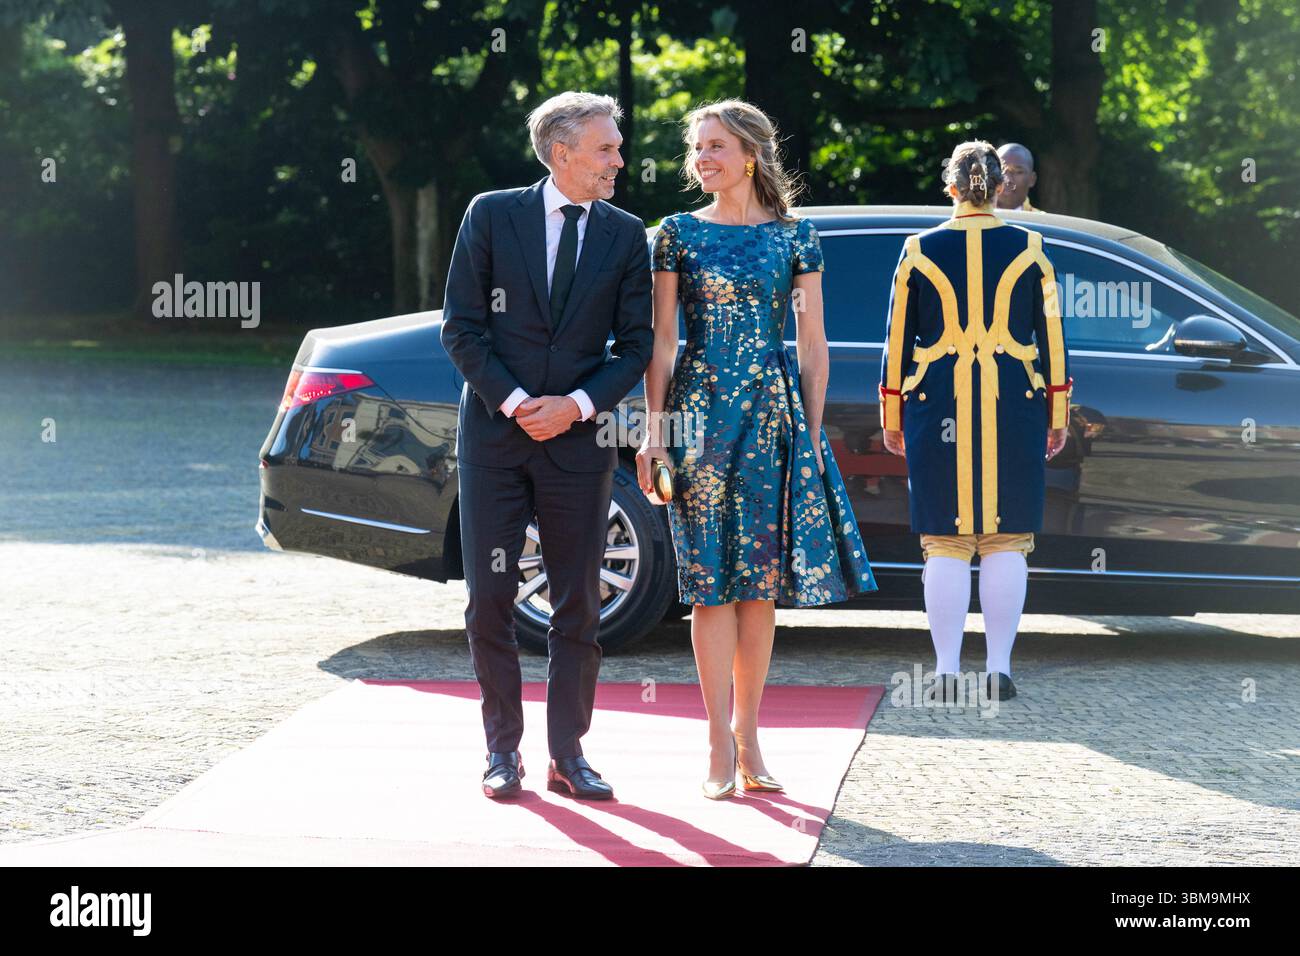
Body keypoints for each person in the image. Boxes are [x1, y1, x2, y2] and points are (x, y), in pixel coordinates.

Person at [637, 100, 877, 799]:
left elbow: (813, 343)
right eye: (696, 148)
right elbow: (661, 340)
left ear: (750, 153)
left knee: (759, 589)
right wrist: (655, 433)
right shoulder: (676, 234)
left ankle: (750, 738)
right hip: (699, 416)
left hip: (773, 418)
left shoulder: (796, 237)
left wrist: (809, 426)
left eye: (715, 146)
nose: (701, 158)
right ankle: (715, 743)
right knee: (710, 586)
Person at [440, 91, 653, 800]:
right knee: (489, 601)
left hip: (580, 444)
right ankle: (503, 752)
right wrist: (515, 403)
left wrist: (576, 406)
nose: (619, 160)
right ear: (562, 152)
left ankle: (570, 756)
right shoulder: (491, 214)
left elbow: (636, 346)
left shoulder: (626, 235)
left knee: (578, 608)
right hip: (496, 440)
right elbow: (462, 328)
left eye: (617, 148)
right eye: (606, 149)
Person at [879, 140, 1071, 702]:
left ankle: (943, 672)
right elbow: (1052, 337)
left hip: (936, 399)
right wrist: (1056, 410)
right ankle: (1000, 669)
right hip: (1015, 398)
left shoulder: (918, 249)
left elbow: (897, 341)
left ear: (952, 186)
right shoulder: (1031, 246)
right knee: (1007, 537)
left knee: (944, 539)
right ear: (997, 184)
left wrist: (893, 410)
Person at [994, 142, 1041, 212]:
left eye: (1018, 172)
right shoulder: (975, 217)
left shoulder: (1042, 221)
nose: (1008, 179)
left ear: (1032, 179)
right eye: (1001, 170)